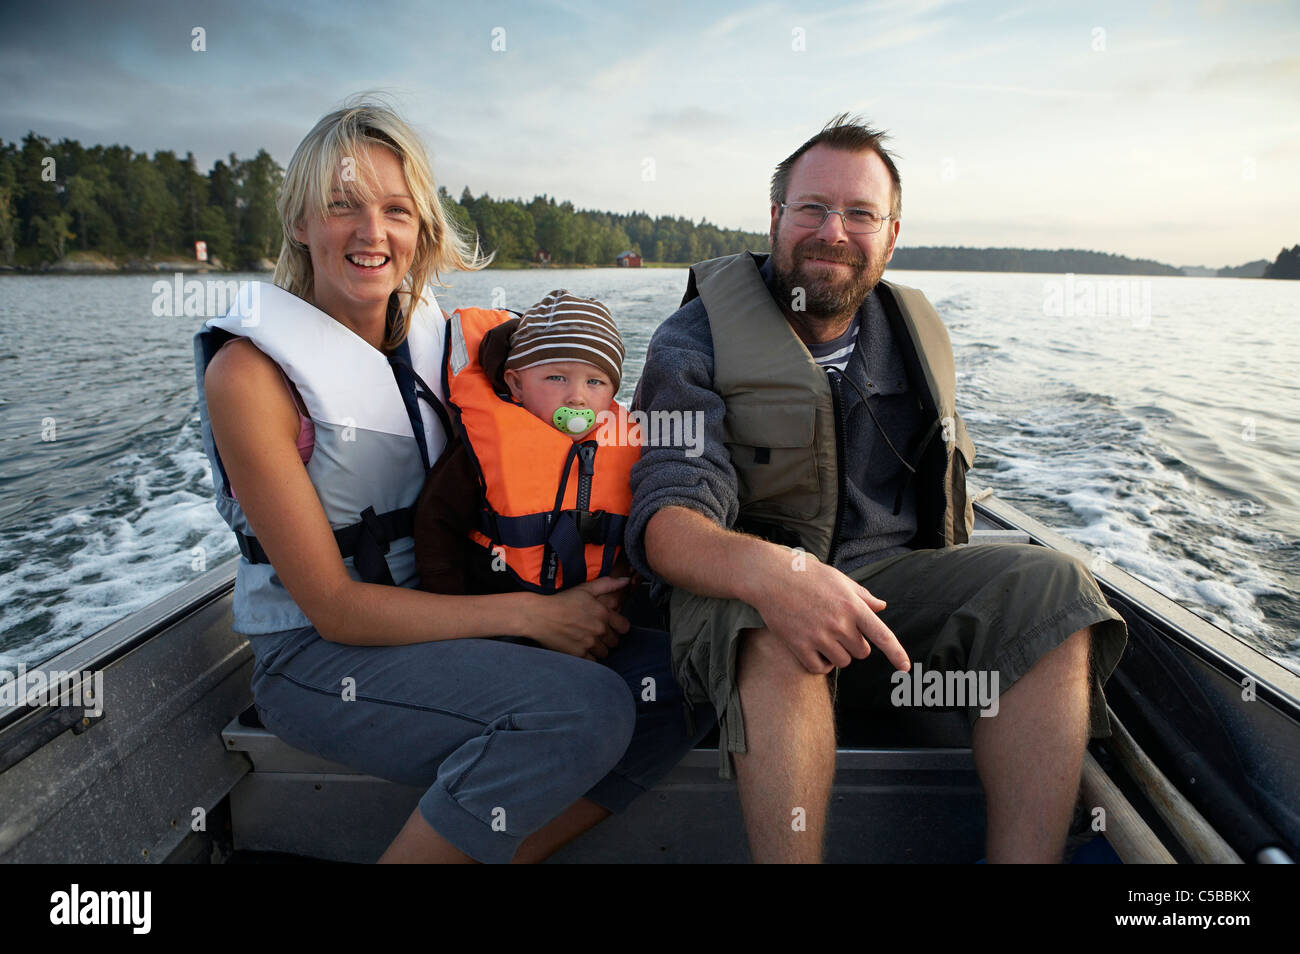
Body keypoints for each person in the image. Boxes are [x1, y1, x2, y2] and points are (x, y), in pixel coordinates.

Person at [193, 99, 706, 864]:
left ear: (422, 229)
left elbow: (563, 406)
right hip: (317, 657)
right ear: (300, 222)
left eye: (396, 210)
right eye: (342, 205)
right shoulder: (249, 377)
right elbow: (334, 609)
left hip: (449, 612)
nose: (372, 232)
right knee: (585, 709)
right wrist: (535, 617)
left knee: (687, 676)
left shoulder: (443, 347)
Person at [626, 114, 1129, 863]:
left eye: (860, 214)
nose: (833, 231)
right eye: (812, 208)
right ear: (775, 219)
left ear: (891, 237)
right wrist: (784, 576)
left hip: (887, 602)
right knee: (779, 624)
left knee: (1054, 587)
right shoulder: (694, 340)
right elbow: (668, 525)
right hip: (737, 606)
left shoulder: (914, 336)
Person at [414, 289, 637, 599]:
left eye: (594, 382)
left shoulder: (628, 447)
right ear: (516, 384)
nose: (577, 397)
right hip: (497, 605)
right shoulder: (480, 449)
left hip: (597, 601)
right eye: (557, 378)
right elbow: (437, 523)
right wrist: (448, 600)